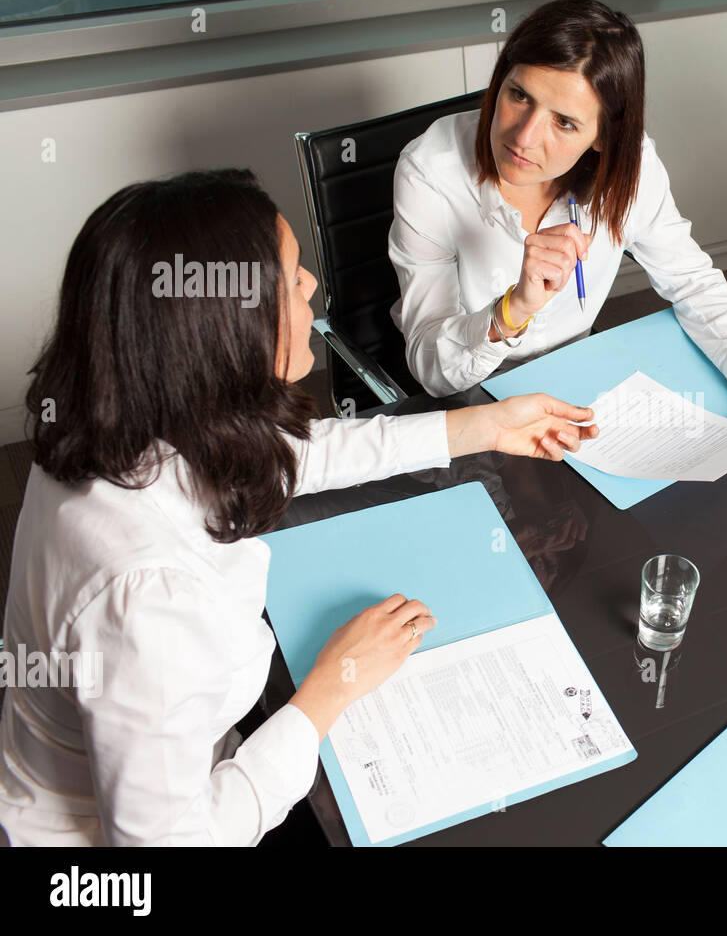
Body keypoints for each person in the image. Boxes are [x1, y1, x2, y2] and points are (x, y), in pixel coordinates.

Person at [0, 169, 598, 846]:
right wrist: (328, 692)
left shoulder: (115, 423)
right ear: (221, 332)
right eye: (290, 279)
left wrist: (482, 430)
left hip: (176, 745)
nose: (311, 285)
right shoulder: (146, 596)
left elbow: (288, 453)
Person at [389, 0, 727, 432]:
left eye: (564, 122)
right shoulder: (431, 169)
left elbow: (692, 282)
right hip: (470, 400)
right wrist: (512, 310)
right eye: (519, 96)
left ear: (603, 138)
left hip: (576, 381)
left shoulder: (632, 168)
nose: (524, 137)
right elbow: (432, 373)